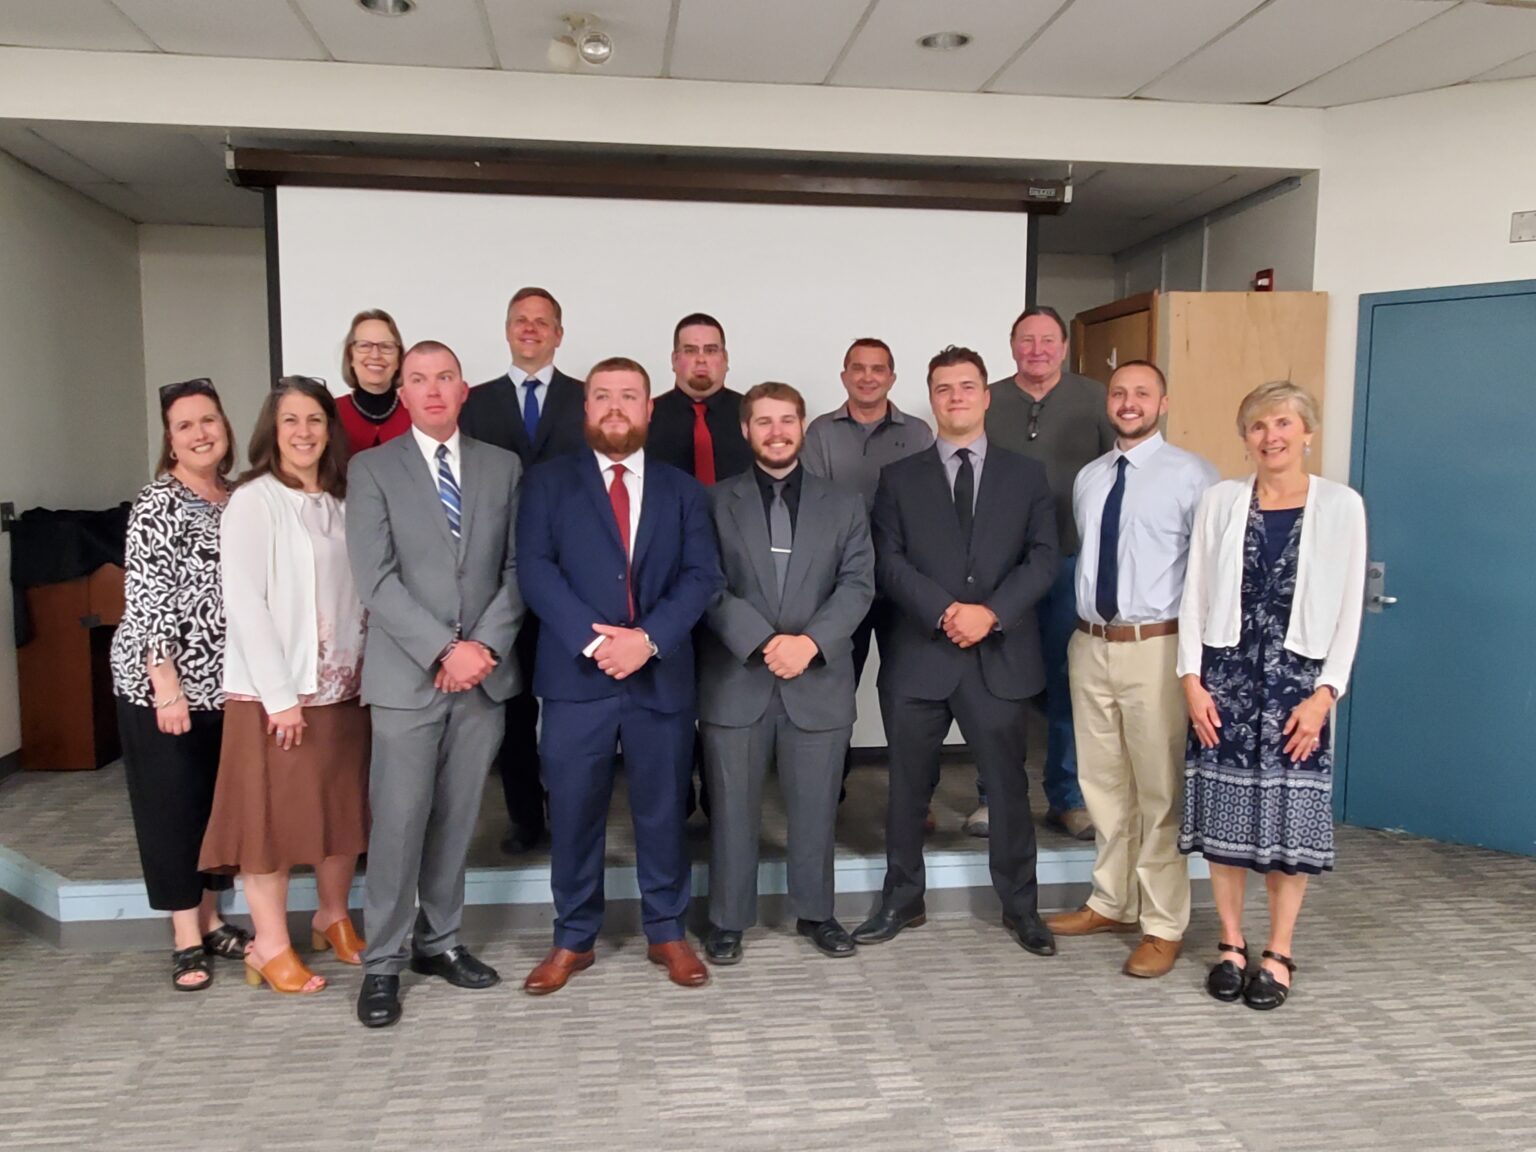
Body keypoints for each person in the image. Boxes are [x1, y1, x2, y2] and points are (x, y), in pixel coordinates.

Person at [517, 357, 722, 994]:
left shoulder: (683, 490)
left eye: (628, 396)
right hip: (575, 678)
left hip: (658, 675)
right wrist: (596, 642)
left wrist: (648, 641)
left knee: (662, 811)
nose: (614, 407)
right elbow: (535, 570)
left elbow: (702, 576)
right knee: (574, 812)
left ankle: (667, 930)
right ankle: (573, 938)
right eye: (602, 395)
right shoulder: (547, 484)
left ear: (648, 408)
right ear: (585, 408)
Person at [852, 346, 1059, 959]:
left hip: (998, 656)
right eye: (943, 388)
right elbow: (888, 561)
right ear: (931, 398)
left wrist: (989, 614)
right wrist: (946, 611)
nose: (956, 397)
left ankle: (1020, 906)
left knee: (1008, 789)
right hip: (920, 654)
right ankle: (902, 899)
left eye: (967, 386)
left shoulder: (1027, 475)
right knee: (906, 790)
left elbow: (1043, 559)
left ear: (986, 396)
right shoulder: (899, 477)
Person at [346, 341, 526, 1028]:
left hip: (482, 678)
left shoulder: (502, 467)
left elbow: (518, 570)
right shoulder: (372, 469)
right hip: (407, 679)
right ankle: (383, 961)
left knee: (457, 818)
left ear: (463, 388)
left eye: (443, 377)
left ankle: (439, 940)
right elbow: (375, 579)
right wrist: (444, 649)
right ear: (403, 393)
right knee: (397, 823)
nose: (431, 390)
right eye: (417, 379)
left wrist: (482, 648)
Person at [1179, 381, 1366, 1011]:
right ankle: (1231, 944)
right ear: (1245, 438)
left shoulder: (1342, 506)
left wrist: (1325, 695)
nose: (1271, 436)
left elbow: (1348, 612)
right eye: (1258, 426)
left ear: (1307, 432)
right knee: (1224, 819)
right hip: (1224, 679)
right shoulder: (1221, 501)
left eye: (1284, 423)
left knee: (1291, 824)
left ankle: (1278, 951)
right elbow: (1194, 596)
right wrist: (1190, 681)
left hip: (1297, 687)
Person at [1046, 361, 1217, 979]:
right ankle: (1112, 901)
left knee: (1158, 789)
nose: (1128, 402)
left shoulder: (1194, 476)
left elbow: (1210, 574)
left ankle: (1163, 922)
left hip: (1157, 646)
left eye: (1142, 393)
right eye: (1119, 392)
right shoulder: (1091, 477)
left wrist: (1200, 664)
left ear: (1163, 403)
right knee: (1102, 782)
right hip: (1091, 643)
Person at [199, 376, 370, 996]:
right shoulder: (255, 500)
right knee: (268, 826)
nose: (304, 432)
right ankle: (270, 944)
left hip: (344, 691)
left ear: (330, 429)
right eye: (291, 420)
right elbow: (245, 602)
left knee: (341, 815)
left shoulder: (346, 498)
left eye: (315, 420)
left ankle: (332, 916)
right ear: (273, 430)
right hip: (277, 698)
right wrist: (280, 697)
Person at [699, 381, 874, 965]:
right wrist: (761, 641)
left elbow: (858, 585)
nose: (776, 432)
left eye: (787, 420)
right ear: (745, 430)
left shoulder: (844, 503)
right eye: (764, 421)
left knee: (817, 807)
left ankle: (817, 912)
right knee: (731, 809)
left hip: (817, 679)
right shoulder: (713, 502)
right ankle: (728, 918)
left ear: (803, 426)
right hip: (736, 679)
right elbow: (706, 584)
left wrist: (810, 644)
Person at [110, 378, 250, 991]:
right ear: (170, 441)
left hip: (227, 685)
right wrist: (166, 684)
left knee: (213, 808)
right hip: (164, 688)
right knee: (171, 809)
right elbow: (146, 600)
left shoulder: (236, 497)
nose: (200, 433)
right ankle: (186, 936)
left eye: (208, 420)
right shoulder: (157, 502)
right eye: (186, 425)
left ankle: (213, 919)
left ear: (226, 428)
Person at [461, 287, 587, 857]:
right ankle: (524, 817)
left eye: (542, 321)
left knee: (566, 704)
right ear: (507, 330)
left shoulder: (586, 399)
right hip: (497, 580)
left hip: (570, 578)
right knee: (511, 706)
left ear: (559, 333)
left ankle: (570, 812)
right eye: (520, 320)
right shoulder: (474, 403)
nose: (530, 329)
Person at [984, 305, 1115, 842]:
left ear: (1064, 346)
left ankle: (1068, 798)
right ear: (1012, 345)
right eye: (1026, 340)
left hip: (1070, 562)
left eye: (1047, 340)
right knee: (997, 685)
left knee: (1069, 680)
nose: (1036, 350)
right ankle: (993, 797)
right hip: (1000, 567)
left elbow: (1118, 473)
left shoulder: (1096, 399)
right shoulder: (987, 400)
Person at [802, 337, 935, 789]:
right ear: (844, 375)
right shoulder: (820, 433)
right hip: (839, 586)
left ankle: (913, 795)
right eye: (858, 368)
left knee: (907, 696)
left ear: (892, 377)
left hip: (903, 588)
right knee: (834, 691)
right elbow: (814, 511)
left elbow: (928, 511)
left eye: (878, 369)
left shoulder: (918, 434)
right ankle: (828, 792)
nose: (867, 377)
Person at [647, 312, 752, 484]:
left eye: (711, 350)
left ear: (725, 359)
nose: (701, 359)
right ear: (674, 360)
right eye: (690, 351)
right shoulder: (646, 418)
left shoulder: (752, 414)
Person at [335, 309, 411, 452]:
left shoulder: (416, 414)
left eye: (386, 346)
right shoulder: (331, 413)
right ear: (350, 357)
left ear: (399, 360)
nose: (375, 355)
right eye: (364, 345)